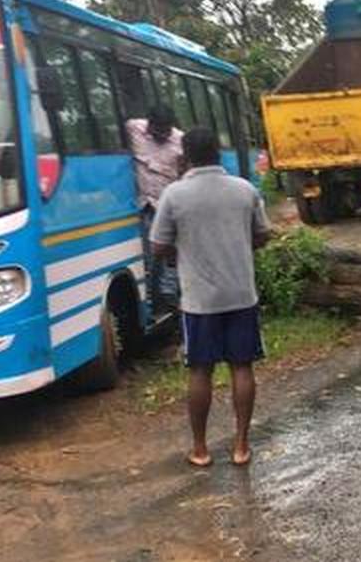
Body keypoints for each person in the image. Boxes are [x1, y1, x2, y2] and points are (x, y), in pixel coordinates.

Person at [150, 127, 272, 467]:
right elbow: (263, 235)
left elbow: (158, 245)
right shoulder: (243, 189)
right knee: (242, 367)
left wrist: (180, 250)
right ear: (219, 152)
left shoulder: (174, 195)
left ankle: (201, 449)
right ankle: (241, 446)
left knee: (200, 371)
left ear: (185, 155)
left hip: (199, 302)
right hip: (241, 294)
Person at [126, 105, 184, 313]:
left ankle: (168, 294)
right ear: (149, 125)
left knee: (171, 248)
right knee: (148, 254)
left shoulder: (179, 141)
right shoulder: (133, 129)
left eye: (166, 131)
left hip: (168, 204)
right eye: (158, 130)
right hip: (144, 204)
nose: (162, 135)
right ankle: (150, 297)